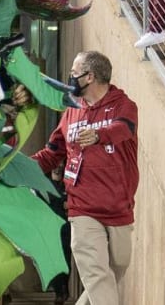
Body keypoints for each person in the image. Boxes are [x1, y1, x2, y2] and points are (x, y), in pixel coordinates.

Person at [31, 51, 138, 305]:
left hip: (119, 207)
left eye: (73, 73)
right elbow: (52, 153)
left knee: (112, 272)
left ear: (89, 77)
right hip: (82, 208)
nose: (70, 78)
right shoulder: (72, 112)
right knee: (98, 277)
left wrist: (99, 135)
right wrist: (21, 167)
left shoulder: (123, 105)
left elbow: (124, 129)